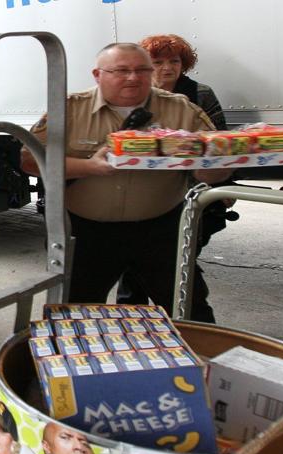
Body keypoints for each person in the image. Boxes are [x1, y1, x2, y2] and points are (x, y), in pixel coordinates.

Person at [21, 43, 231, 322]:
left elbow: (214, 171)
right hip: (84, 233)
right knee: (73, 315)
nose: (133, 77)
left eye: (142, 70)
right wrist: (89, 167)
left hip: (161, 230)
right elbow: (30, 161)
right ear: (98, 74)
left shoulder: (182, 110)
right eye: (121, 70)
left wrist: (211, 167)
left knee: (190, 312)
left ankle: (200, 351)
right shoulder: (69, 109)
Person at [113, 33, 237, 316]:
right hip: (142, 190)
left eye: (174, 61)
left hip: (191, 190)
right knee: (135, 261)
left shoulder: (200, 94)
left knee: (180, 258)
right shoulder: (133, 93)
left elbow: (221, 142)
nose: (167, 68)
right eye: (158, 62)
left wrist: (225, 186)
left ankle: (183, 321)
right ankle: (133, 319)